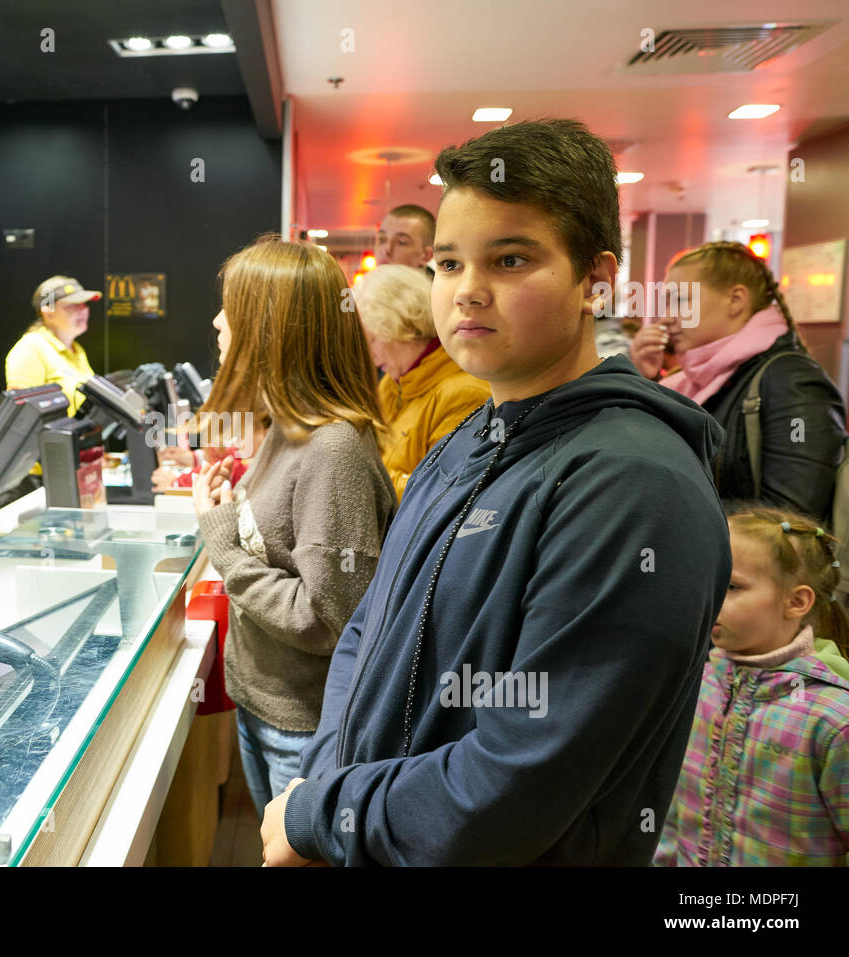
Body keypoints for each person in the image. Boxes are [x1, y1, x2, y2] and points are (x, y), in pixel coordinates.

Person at [262, 119, 731, 866]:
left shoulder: (634, 485)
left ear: (597, 280)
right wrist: (326, 787)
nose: (468, 290)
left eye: (510, 259)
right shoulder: (471, 438)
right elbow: (368, 632)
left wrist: (327, 812)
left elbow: (522, 777)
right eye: (448, 263)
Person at [190, 238, 396, 820]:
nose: (216, 321)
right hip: (265, 708)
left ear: (266, 328)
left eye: (230, 308)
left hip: (303, 730)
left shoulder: (333, 450)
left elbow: (329, 622)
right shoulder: (288, 428)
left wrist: (225, 546)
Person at [655, 507, 849, 866]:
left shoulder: (833, 721)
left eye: (731, 586)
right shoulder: (694, 687)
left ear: (796, 602)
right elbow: (671, 813)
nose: (710, 596)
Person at [630, 241, 845, 522]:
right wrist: (642, 383)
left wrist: (668, 508)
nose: (667, 317)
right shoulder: (690, 380)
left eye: (681, 300)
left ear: (736, 300)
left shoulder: (794, 382)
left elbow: (792, 516)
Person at [355, 264, 491, 500]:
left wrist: (360, 473)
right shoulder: (392, 383)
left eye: (374, 340)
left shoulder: (463, 394)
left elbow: (440, 494)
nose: (371, 355)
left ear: (400, 328)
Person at [5, 275, 102, 412]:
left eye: (84, 304)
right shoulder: (30, 349)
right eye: (73, 305)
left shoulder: (76, 349)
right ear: (48, 312)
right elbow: (21, 416)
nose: (83, 310)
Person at [376, 203, 436, 276]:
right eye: (382, 239)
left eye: (401, 242)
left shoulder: (437, 286)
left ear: (426, 256)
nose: (386, 249)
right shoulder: (365, 285)